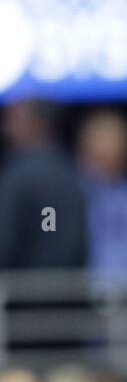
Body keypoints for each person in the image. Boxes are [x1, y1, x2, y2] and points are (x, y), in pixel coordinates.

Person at [0, 100, 87, 270]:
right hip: (69, 288)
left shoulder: (18, 176)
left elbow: (4, 241)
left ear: (37, 123)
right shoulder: (73, 170)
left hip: (24, 289)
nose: (6, 129)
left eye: (14, 120)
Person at [76, 108, 127, 285]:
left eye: (118, 139)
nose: (112, 146)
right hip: (79, 297)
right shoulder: (72, 192)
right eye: (104, 138)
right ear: (86, 144)